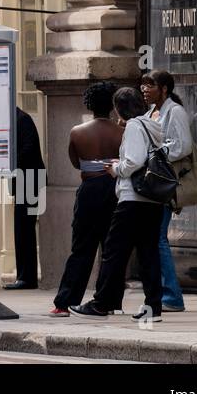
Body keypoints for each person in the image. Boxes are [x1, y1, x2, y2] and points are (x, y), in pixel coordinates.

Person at [70, 87, 168, 322]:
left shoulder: (134, 126)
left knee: (114, 251)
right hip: (152, 199)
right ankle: (153, 306)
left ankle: (101, 304)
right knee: (148, 253)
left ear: (119, 108)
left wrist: (116, 169)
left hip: (132, 199)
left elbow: (134, 161)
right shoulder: (153, 124)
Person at [51, 82, 123, 316]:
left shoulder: (77, 132)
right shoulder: (122, 132)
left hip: (90, 188)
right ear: (113, 104)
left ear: (89, 105)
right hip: (115, 188)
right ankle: (110, 300)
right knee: (112, 248)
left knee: (81, 247)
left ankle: (64, 302)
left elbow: (75, 162)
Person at [141, 70, 192, 312]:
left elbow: (183, 146)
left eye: (150, 85)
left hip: (163, 183)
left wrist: (153, 157)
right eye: (143, 85)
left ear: (164, 89)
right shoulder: (150, 112)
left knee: (158, 238)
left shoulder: (175, 111)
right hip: (151, 184)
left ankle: (172, 296)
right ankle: (163, 293)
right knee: (152, 238)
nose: (144, 89)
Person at [6, 105, 45, 290]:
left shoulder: (21, 120)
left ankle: (26, 277)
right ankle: (24, 275)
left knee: (24, 229)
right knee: (22, 229)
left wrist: (7, 163)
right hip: (24, 179)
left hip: (29, 179)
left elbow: (27, 150)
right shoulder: (17, 119)